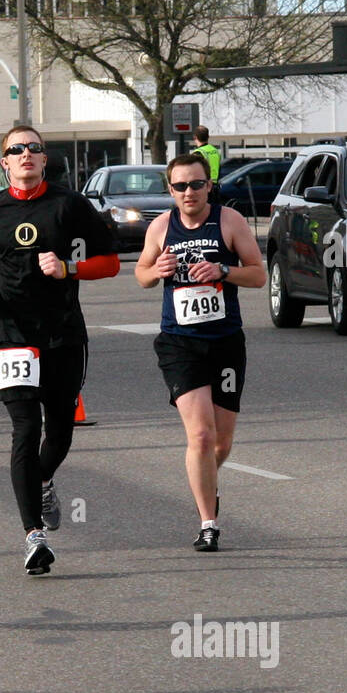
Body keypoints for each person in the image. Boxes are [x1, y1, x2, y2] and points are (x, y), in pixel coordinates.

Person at [0, 124, 119, 575]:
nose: (26, 155)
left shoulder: (70, 204)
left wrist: (68, 267)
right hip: (12, 334)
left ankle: (43, 480)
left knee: (61, 432)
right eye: (16, 150)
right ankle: (34, 536)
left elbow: (109, 263)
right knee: (25, 429)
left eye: (34, 149)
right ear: (3, 161)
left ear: (45, 159)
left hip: (64, 332)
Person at [134, 152, 266, 552]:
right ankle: (208, 522)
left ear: (209, 185)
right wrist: (155, 272)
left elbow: (259, 274)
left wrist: (223, 271)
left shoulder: (229, 221)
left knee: (221, 444)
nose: (188, 192)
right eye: (180, 186)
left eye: (196, 184)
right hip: (179, 343)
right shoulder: (160, 227)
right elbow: (140, 274)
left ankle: (203, 478)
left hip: (225, 342)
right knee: (202, 435)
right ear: (170, 189)